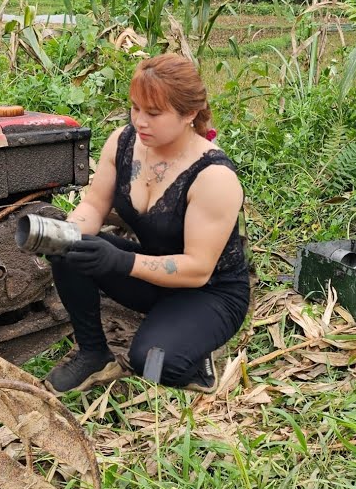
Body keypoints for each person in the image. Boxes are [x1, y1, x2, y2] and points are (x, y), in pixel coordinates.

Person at [43, 54, 250, 394]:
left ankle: (194, 354)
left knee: (152, 364)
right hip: (153, 278)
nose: (140, 121)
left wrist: (122, 261)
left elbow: (199, 269)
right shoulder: (123, 143)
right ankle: (94, 353)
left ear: (189, 114)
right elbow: (94, 203)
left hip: (209, 292)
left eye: (153, 113)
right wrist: (70, 233)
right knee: (68, 249)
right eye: (135, 108)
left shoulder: (213, 177)